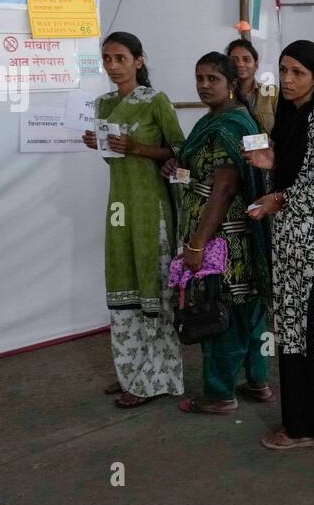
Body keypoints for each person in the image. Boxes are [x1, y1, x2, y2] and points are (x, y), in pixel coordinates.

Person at [245, 41, 314, 448]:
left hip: (309, 239)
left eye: (298, 73)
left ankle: (306, 427)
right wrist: (274, 165)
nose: (288, 80)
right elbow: (303, 168)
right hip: (298, 238)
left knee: (304, 328)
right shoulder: (295, 114)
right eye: (284, 71)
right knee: (312, 325)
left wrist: (279, 198)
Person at [83, 32, 186, 409]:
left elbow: (179, 150)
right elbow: (113, 160)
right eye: (107, 59)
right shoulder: (103, 103)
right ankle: (132, 369)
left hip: (151, 208)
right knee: (124, 286)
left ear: (139, 61)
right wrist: (101, 144)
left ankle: (157, 378)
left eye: (120, 58)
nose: (113, 66)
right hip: (119, 207)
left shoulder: (155, 101)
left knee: (153, 289)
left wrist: (138, 148)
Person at [169, 53, 274, 414]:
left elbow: (225, 186)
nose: (203, 85)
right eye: (199, 78)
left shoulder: (228, 126)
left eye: (212, 78)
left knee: (218, 311)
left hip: (220, 239)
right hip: (246, 236)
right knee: (249, 308)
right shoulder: (236, 121)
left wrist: (197, 243)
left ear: (231, 83)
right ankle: (258, 381)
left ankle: (219, 395)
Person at [227, 38, 275, 134]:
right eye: (234, 60)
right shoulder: (223, 95)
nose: (240, 64)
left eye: (246, 59)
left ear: (256, 65)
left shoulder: (272, 93)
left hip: (266, 148)